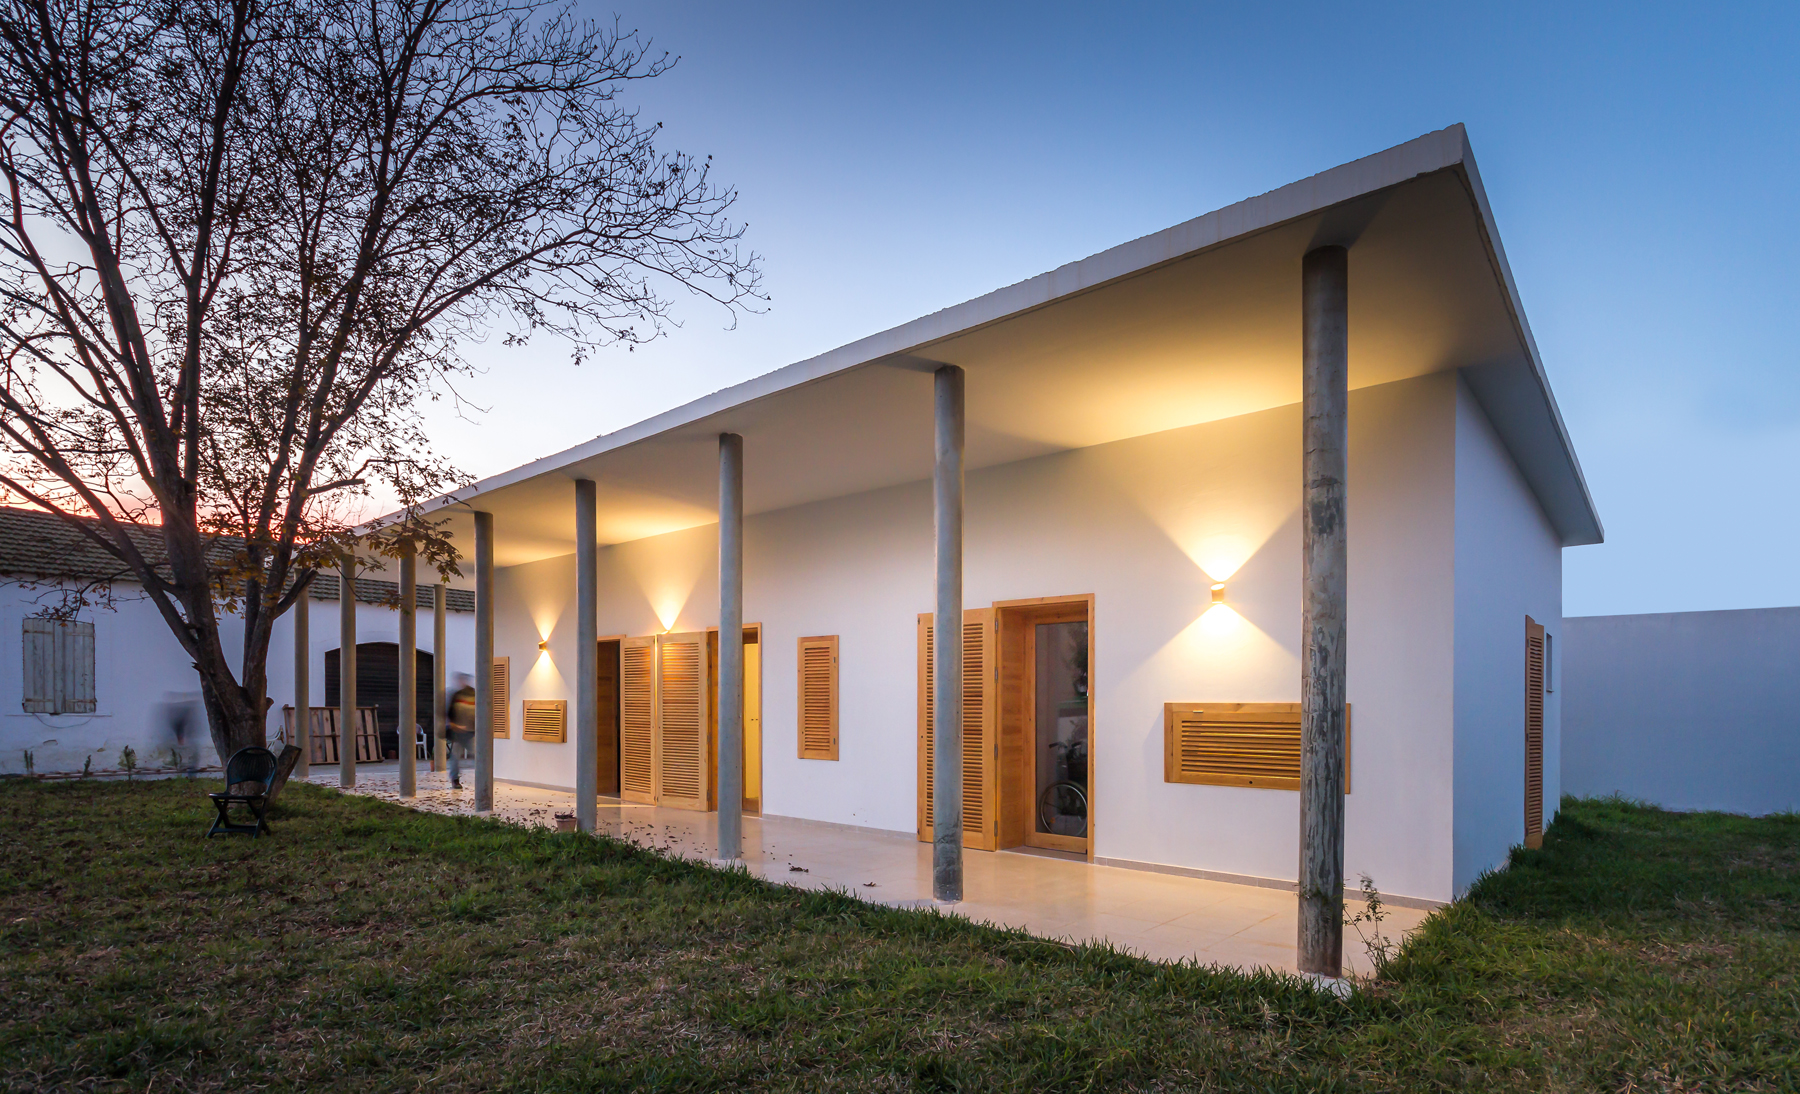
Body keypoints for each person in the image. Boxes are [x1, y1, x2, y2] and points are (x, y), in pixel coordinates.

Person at [446, 673, 476, 789]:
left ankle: (482, 777)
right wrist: (454, 725)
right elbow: (450, 713)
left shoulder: (472, 694)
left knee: (476, 755)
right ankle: (455, 779)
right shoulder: (456, 695)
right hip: (458, 733)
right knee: (455, 756)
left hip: (470, 732)